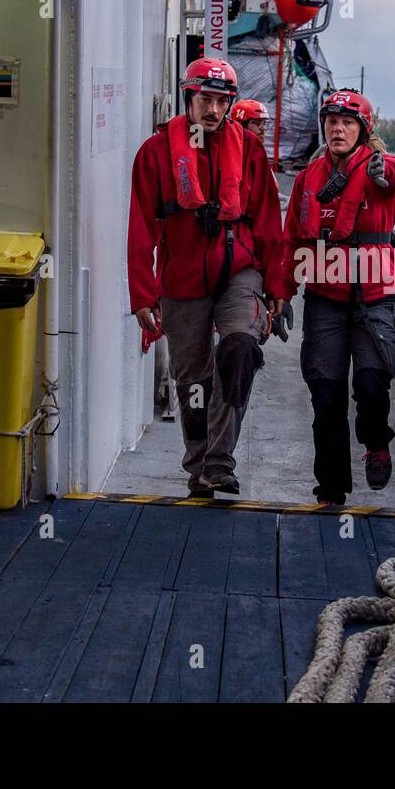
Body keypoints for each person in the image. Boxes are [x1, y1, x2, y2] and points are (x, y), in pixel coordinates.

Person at [127, 58, 288, 495]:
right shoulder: (156, 153)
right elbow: (141, 226)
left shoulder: (249, 150)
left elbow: (271, 221)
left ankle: (220, 460)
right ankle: (198, 463)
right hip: (182, 278)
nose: (214, 109)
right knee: (192, 378)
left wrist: (279, 287)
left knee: (240, 348)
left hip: (240, 269)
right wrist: (142, 294)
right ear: (189, 99)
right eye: (205, 99)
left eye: (222, 100)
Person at [281, 89, 395, 504]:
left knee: (373, 384)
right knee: (325, 394)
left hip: (375, 298)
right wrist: (281, 294)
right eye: (332, 121)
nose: (338, 128)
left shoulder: (381, 169)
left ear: (364, 130)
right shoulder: (307, 179)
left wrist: (382, 170)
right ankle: (331, 487)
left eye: (348, 122)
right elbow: (291, 242)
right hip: (324, 299)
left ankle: (376, 444)